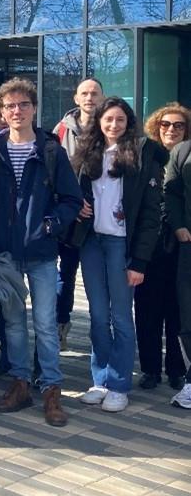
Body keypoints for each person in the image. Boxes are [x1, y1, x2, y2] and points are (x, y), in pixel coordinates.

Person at [0, 79, 82, 427]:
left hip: (41, 252)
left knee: (46, 324)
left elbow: (72, 199)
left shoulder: (51, 150)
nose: (17, 111)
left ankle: (51, 388)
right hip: (4, 253)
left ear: (34, 108)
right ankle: (20, 382)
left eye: (23, 104)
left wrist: (50, 225)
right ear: (1, 112)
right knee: (13, 323)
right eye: (10, 106)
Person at [71, 97, 162, 413]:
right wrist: (77, 205)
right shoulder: (87, 152)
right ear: (98, 121)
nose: (113, 125)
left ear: (128, 123)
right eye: (108, 119)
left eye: (120, 119)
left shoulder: (142, 155)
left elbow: (151, 214)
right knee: (98, 315)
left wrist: (140, 262)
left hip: (122, 244)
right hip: (92, 242)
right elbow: (70, 191)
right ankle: (100, 380)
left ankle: (119, 384)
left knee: (121, 316)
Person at [136, 103, 191, 390]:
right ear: (156, 126)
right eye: (165, 124)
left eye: (179, 125)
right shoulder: (146, 155)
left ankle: (176, 369)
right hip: (149, 244)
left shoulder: (187, 157)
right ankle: (150, 369)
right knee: (147, 309)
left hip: (180, 244)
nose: (171, 129)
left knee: (177, 309)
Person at [54, 77, 105, 348]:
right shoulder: (61, 129)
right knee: (66, 274)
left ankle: (101, 336)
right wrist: (72, 203)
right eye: (84, 93)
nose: (89, 98)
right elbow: (54, 173)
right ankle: (61, 324)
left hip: (102, 217)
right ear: (76, 98)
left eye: (94, 93)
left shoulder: (110, 126)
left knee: (100, 280)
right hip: (72, 216)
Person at [164, 137, 191, 409]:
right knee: (187, 315)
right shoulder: (183, 151)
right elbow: (171, 192)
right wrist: (179, 225)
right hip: (189, 246)